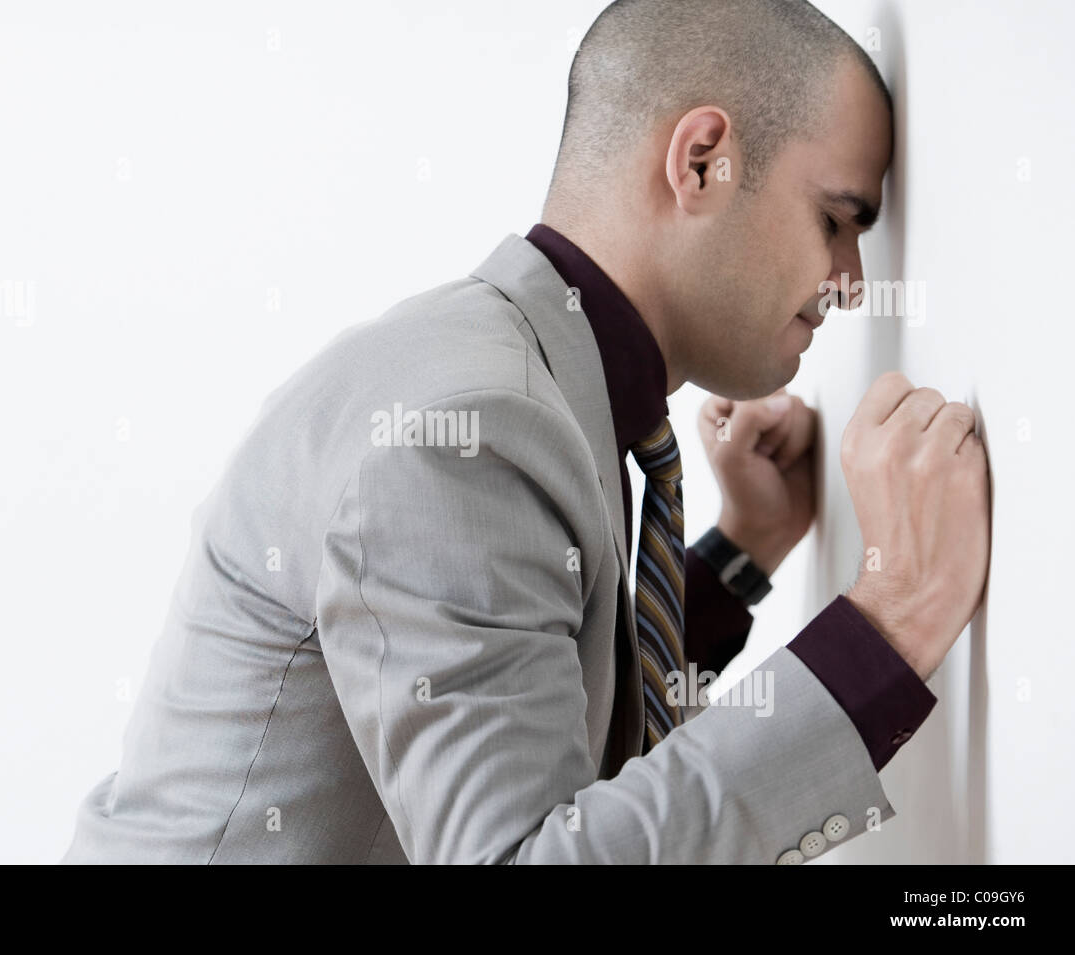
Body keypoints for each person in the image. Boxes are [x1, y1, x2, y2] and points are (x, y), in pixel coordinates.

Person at [61, 0, 990, 864]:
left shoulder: (507, 382)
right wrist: (892, 617)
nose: (852, 278)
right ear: (704, 160)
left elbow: (541, 718)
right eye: (836, 218)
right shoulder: (465, 432)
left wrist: (740, 556)